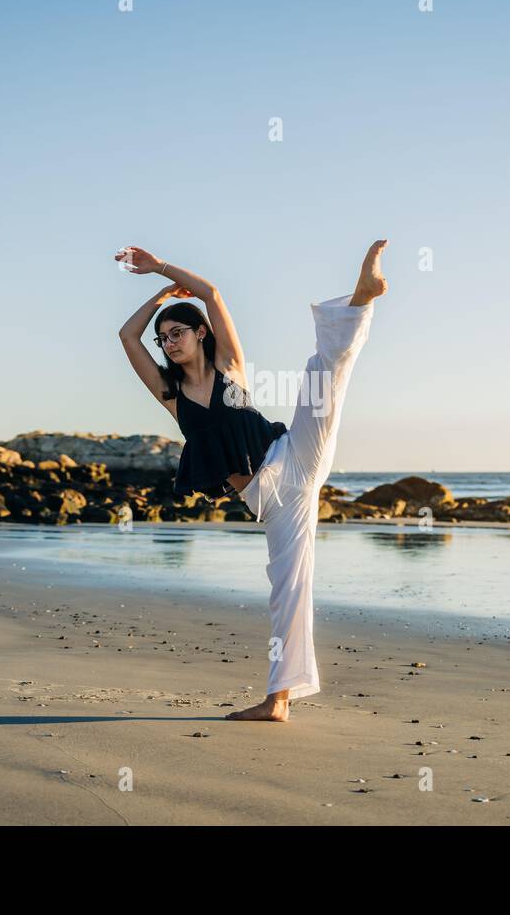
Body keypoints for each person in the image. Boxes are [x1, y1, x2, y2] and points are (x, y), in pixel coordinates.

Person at [117, 240, 389, 721]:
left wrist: (161, 269)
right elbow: (125, 335)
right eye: (164, 339)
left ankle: (362, 298)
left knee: (322, 377)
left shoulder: (229, 367)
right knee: (287, 588)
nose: (170, 342)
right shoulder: (172, 396)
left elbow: (213, 294)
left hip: (293, 453)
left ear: (201, 334)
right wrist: (159, 301)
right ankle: (279, 702)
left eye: (178, 332)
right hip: (272, 498)